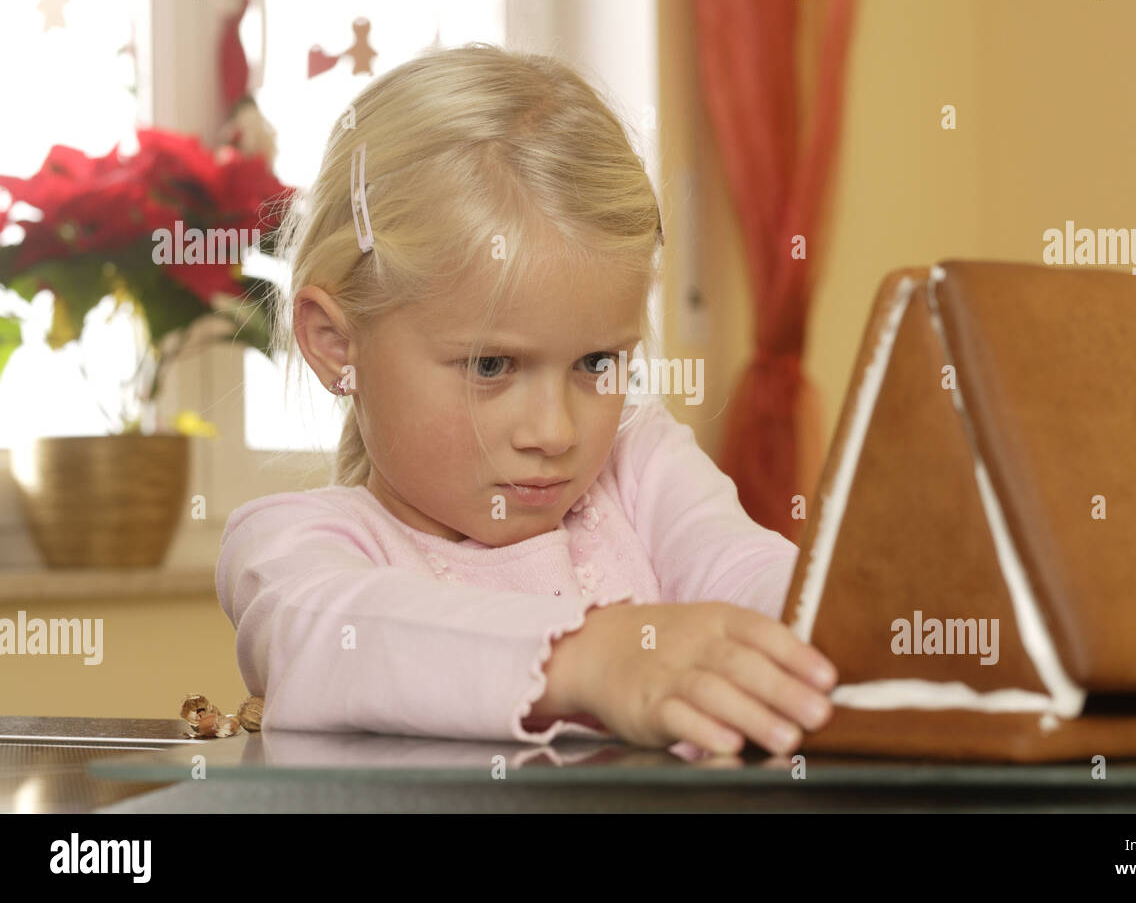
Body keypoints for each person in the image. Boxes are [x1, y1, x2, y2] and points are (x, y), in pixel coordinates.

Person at [217, 43, 837, 758]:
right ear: (335, 343)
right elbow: (327, 638)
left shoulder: (641, 469)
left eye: (596, 362)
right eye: (492, 364)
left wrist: (853, 627)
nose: (555, 431)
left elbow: (754, 577)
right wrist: (591, 657)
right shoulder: (296, 547)